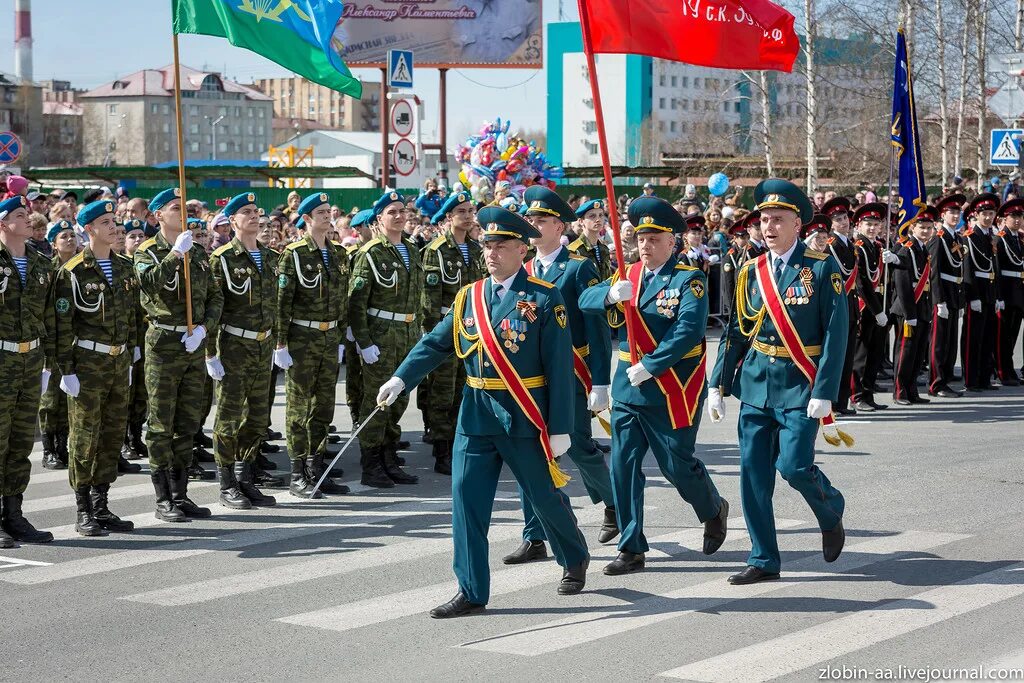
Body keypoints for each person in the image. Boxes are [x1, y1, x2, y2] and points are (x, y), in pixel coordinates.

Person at [375, 206, 590, 617]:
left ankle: (574, 553)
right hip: (476, 415)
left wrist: (560, 426)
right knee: (467, 503)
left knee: (543, 496)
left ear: (521, 250)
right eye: (487, 245)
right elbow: (437, 343)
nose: (491, 253)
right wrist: (401, 378)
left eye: (501, 246)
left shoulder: (544, 297)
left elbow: (560, 367)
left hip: (524, 415)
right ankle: (471, 589)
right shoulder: (468, 296)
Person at [578, 195, 728, 575]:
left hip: (671, 386)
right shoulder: (626, 276)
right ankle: (631, 547)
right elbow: (584, 301)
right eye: (641, 238)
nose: (645, 246)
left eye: (654, 239)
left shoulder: (688, 280)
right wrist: (608, 294)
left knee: (677, 465)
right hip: (629, 387)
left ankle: (712, 507)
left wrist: (652, 364)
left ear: (673, 242)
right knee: (623, 467)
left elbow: (688, 331)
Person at [708, 178, 848, 585]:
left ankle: (830, 507)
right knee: (752, 474)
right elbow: (736, 329)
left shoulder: (821, 269)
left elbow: (836, 335)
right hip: (755, 382)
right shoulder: (751, 270)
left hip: (800, 383)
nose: (768, 227)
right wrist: (717, 383)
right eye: (764, 220)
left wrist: (825, 392)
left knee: (794, 466)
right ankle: (764, 558)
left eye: (778, 219)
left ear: (798, 224)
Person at [497, 187, 616, 565]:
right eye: (530, 220)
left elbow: (595, 327)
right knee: (528, 451)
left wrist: (601, 381)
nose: (533, 225)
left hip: (571, 373)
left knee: (579, 445)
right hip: (531, 379)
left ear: (559, 226)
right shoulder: (525, 268)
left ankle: (614, 501)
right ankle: (534, 535)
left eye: (542, 220)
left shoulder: (578, 267)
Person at [48, 200, 139, 536]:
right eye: (105, 222)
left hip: (118, 361)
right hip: (87, 363)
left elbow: (132, 316)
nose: (114, 227)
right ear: (88, 228)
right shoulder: (72, 271)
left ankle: (101, 504)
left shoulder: (126, 268)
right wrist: (66, 369)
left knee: (112, 435)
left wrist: (131, 354)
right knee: (85, 437)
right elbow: (63, 325)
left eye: (115, 221)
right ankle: (83, 507)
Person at [134, 188, 223, 522]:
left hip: (192, 343)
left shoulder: (198, 254)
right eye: (175, 208)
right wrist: (173, 254)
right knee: (160, 424)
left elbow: (215, 297)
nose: (182, 212)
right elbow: (148, 285)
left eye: (185, 207)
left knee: (187, 422)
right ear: (158, 215)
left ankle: (180, 493)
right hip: (163, 344)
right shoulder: (148, 251)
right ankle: (162, 499)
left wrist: (203, 329)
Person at [274, 192, 351, 499]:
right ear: (305, 219)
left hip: (330, 337)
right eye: (319, 212)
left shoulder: (338, 254)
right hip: (302, 338)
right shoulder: (293, 254)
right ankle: (297, 474)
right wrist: (281, 343)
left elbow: (343, 300)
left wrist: (342, 336)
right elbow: (282, 303)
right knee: (299, 407)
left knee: (323, 407)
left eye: (327, 211)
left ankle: (316, 469)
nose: (326, 215)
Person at [207, 193, 280, 509]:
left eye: (256, 211)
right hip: (234, 346)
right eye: (245, 212)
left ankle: (246, 477)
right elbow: (213, 308)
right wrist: (211, 354)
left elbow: (277, 305)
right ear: (232, 220)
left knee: (257, 416)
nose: (253, 216)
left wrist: (278, 343)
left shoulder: (271, 257)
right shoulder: (222, 259)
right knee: (229, 416)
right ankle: (226, 484)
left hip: (263, 345)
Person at [348, 192, 422, 488]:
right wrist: (364, 343)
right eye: (393, 212)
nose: (400, 216)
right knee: (377, 401)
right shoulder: (370, 253)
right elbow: (356, 303)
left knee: (400, 398)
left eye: (403, 211)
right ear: (379, 219)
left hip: (407, 334)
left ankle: (390, 459)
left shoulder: (412, 249)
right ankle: (372, 463)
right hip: (380, 336)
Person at [0, 196, 55, 547]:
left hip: (31, 358)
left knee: (20, 442)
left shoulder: (39, 262)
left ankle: (13, 514)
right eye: (19, 215)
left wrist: (49, 362)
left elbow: (49, 316)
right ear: (4, 224)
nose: (28, 218)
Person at [419, 191, 484, 475]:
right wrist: (431, 333)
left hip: (471, 327)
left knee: (464, 387)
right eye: (462, 212)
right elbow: (429, 297)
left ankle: (460, 443)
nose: (468, 216)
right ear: (449, 217)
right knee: (442, 391)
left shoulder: (477, 247)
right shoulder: (436, 250)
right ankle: (441, 449)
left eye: (471, 211)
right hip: (446, 326)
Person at [39, 219, 79, 471]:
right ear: (53, 243)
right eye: (63, 236)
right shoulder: (47, 269)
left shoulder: (82, 268)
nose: (70, 240)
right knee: (50, 400)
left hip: (76, 341)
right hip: (51, 342)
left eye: (72, 235)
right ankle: (49, 449)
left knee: (68, 399)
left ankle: (63, 445)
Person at [891, 207, 936, 404]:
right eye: (922, 227)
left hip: (922, 308)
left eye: (929, 227)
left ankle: (912, 390)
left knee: (918, 354)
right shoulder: (907, 249)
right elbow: (902, 283)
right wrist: (910, 313)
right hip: (908, 308)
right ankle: (900, 391)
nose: (925, 231)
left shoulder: (923, 249)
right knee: (906, 352)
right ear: (913, 228)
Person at [850, 203, 892, 412]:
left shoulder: (877, 247)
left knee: (875, 354)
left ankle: (868, 393)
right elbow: (862, 283)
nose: (872, 228)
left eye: (876, 224)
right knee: (862, 355)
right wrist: (877, 311)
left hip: (879, 305)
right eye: (868, 224)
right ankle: (857, 395)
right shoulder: (859, 247)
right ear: (859, 225)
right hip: (866, 307)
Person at [821, 197, 860, 415]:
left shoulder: (849, 245)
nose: (843, 222)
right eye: (838, 219)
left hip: (851, 307)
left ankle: (842, 401)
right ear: (831, 224)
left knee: (847, 357)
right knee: (835, 357)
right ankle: (832, 401)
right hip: (837, 307)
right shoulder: (830, 247)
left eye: (845, 217)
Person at [927, 194, 966, 397]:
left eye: (958, 212)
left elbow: (958, 270)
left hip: (954, 294)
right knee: (939, 342)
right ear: (943, 214)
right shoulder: (938, 238)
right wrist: (938, 300)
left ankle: (946, 378)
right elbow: (933, 272)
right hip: (942, 295)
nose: (955, 215)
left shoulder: (956, 237)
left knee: (950, 341)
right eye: (951, 212)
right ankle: (936, 383)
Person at [960, 193, 1000, 391]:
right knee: (973, 338)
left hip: (990, 293)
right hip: (977, 292)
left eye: (991, 213)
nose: (988, 217)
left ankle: (985, 377)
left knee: (987, 337)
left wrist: (998, 295)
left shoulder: (990, 236)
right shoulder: (970, 238)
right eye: (984, 213)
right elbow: (968, 269)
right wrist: (972, 296)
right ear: (976, 215)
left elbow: (994, 267)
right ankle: (971, 379)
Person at [994, 198, 1024, 386]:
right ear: (1004, 218)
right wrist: (999, 296)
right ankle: (1002, 371)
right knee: (1003, 336)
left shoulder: (1019, 238)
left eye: (1020, 216)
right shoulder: (1001, 239)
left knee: (1013, 334)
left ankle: (1010, 369)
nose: (1017, 220)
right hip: (1006, 291)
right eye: (1013, 216)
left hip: (1019, 292)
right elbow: (997, 270)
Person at [569, 199, 613, 282]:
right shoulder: (574, 251)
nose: (598, 219)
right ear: (581, 221)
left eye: (601, 215)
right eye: (592, 216)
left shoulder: (603, 249)